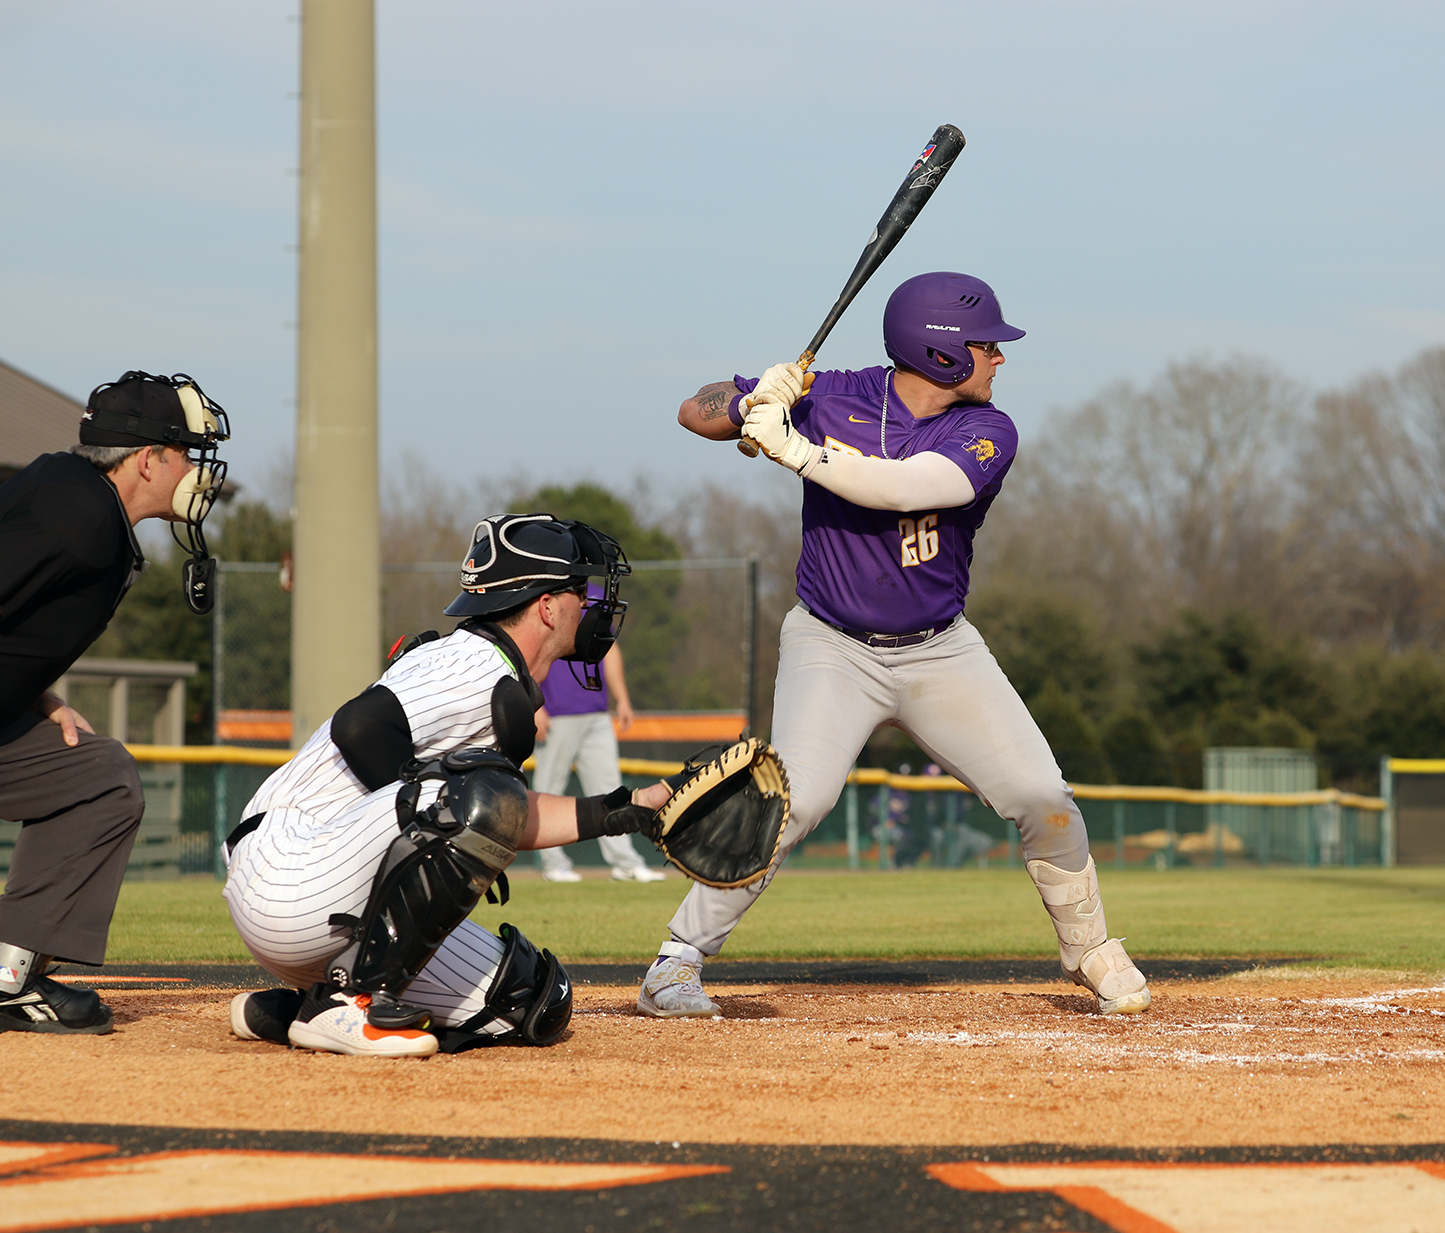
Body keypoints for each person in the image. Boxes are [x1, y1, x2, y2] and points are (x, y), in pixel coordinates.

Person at [643, 271, 1150, 1018]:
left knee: (1043, 795)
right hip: (831, 643)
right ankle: (675, 962)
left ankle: (1092, 950)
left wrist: (797, 451)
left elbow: (911, 487)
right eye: (986, 347)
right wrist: (754, 402)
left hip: (939, 651)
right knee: (795, 800)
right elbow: (695, 411)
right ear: (942, 353)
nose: (999, 360)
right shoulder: (833, 393)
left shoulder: (988, 431)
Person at [220, 513, 672, 1056]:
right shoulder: (474, 664)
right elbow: (360, 725)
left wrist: (634, 809)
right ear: (547, 607)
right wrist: (433, 827)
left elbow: (509, 813)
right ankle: (350, 1002)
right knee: (474, 799)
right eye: (580, 589)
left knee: (529, 1000)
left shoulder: (495, 671)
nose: (591, 603)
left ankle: (289, 1011)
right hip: (290, 871)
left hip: (337, 902)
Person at [0, 371, 231, 1034]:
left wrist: (35, 694)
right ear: (148, 459)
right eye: (186, 453)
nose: (195, 469)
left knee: (101, 778)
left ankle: (7, 972)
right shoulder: (77, 512)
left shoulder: (78, 498)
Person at [532, 607, 666, 884]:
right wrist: (532, 702)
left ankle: (625, 863)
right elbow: (528, 645)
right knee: (547, 790)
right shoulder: (545, 593)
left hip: (596, 711)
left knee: (611, 789)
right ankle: (553, 864)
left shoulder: (595, 593)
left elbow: (609, 650)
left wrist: (622, 698)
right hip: (556, 712)